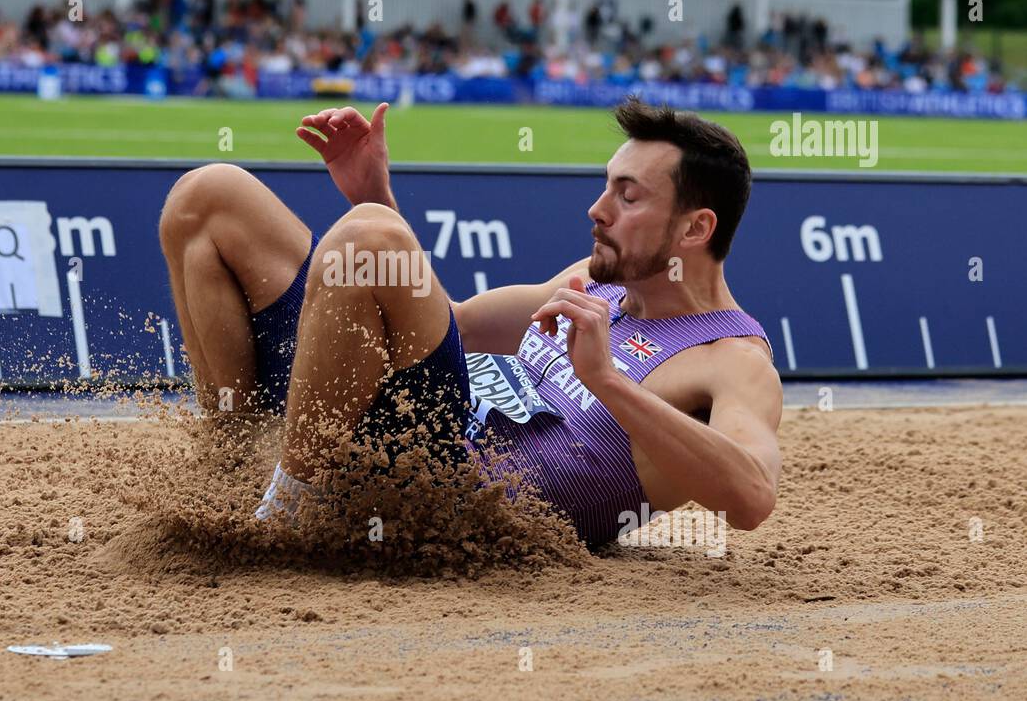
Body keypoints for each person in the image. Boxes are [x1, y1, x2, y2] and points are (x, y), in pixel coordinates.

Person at [159, 98, 782, 547]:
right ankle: (238, 469)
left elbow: (752, 500)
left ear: (697, 228)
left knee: (371, 240)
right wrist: (376, 198)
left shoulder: (731, 360)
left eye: (628, 195)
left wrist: (608, 381)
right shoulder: (593, 283)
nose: (597, 210)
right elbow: (446, 326)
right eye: (606, 187)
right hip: (399, 427)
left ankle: (285, 517)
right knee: (209, 196)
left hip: (447, 493)